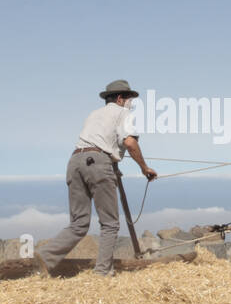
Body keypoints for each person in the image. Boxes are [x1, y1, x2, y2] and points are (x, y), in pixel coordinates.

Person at [36, 80, 158, 277]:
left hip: (75, 161)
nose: (131, 104)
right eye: (129, 100)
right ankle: (102, 273)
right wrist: (144, 168)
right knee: (110, 223)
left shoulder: (93, 115)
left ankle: (46, 255)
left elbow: (101, 140)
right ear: (120, 99)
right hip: (99, 163)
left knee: (78, 223)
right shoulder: (123, 113)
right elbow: (129, 142)